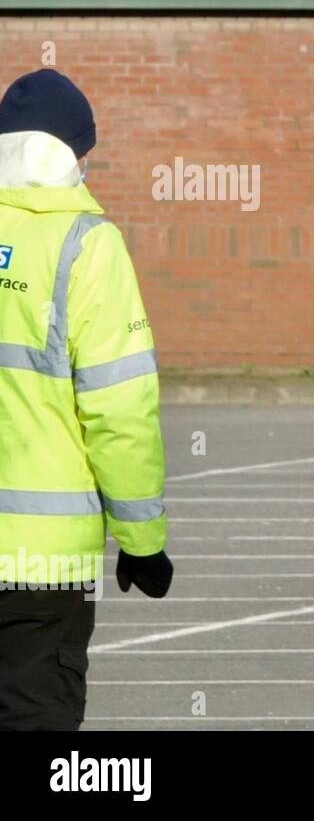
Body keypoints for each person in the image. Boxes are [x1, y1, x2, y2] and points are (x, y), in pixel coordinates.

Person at [0, 68, 172, 731]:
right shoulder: (86, 246)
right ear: (73, 155)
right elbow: (119, 411)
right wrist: (142, 541)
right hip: (44, 567)